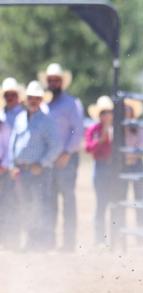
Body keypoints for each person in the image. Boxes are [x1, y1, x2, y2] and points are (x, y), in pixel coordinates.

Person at [7, 81, 62, 251]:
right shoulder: (20, 118)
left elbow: (56, 146)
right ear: (26, 99)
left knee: (40, 206)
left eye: (37, 98)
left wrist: (42, 163)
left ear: (41, 100)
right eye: (31, 97)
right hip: (22, 170)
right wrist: (12, 164)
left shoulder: (47, 121)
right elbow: (13, 143)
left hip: (39, 171)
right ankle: (31, 241)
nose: (33, 101)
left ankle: (42, 243)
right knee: (26, 206)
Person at [40, 63, 84, 252]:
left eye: (56, 80)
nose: (53, 83)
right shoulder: (44, 104)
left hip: (67, 158)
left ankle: (68, 243)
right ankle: (49, 240)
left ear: (62, 82)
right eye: (51, 80)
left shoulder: (72, 104)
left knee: (67, 200)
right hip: (49, 159)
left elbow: (77, 131)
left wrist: (67, 153)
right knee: (49, 200)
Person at [85, 95, 118, 245]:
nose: (106, 115)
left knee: (115, 204)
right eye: (103, 112)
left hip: (113, 168)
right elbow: (88, 148)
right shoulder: (94, 129)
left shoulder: (117, 131)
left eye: (108, 112)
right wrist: (100, 141)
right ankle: (99, 240)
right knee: (101, 204)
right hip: (100, 167)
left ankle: (115, 238)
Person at [122, 98, 143, 237]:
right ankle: (122, 231)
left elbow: (142, 145)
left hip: (136, 164)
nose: (126, 111)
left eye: (128, 108)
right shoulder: (118, 127)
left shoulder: (137, 126)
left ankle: (141, 233)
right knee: (122, 198)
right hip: (125, 165)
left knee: (139, 200)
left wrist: (130, 156)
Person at [0, 98, 16, 249]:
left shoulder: (3, 124)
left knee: (5, 204)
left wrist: (4, 165)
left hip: (2, 170)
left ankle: (7, 238)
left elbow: (8, 146)